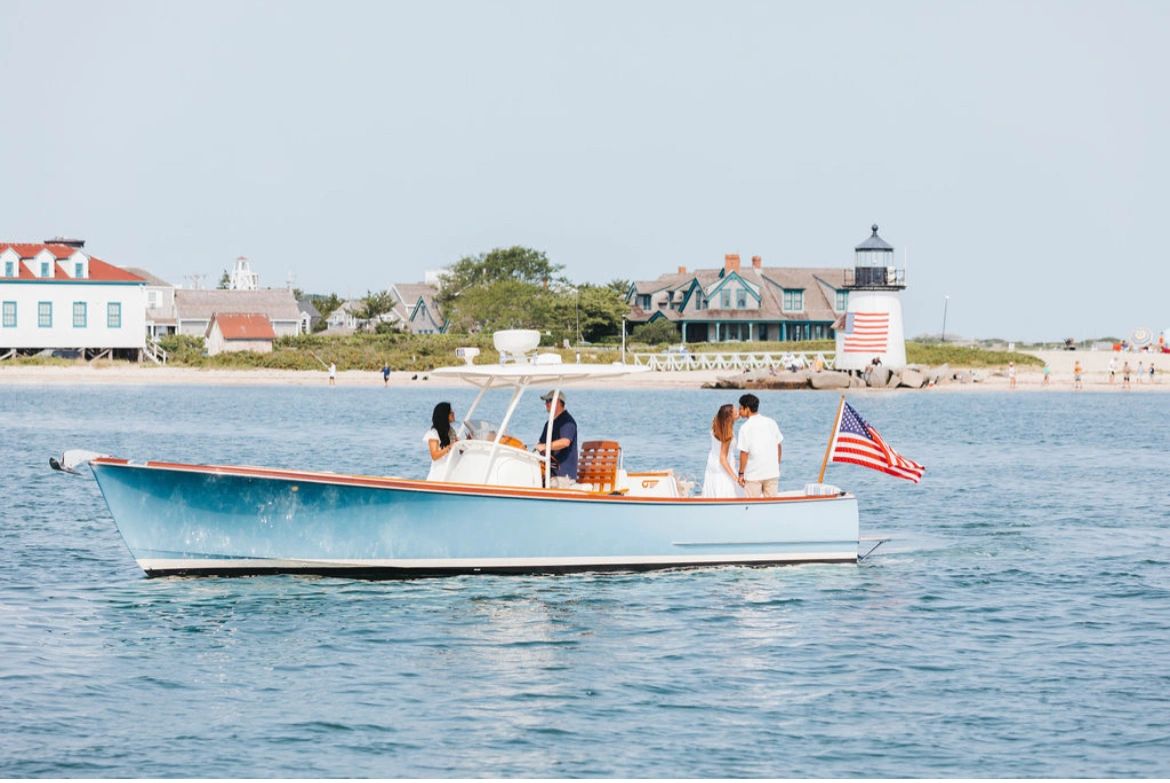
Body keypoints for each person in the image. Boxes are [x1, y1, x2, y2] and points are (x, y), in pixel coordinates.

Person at [736, 393, 783, 497]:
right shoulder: (771, 422)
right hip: (771, 472)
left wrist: (741, 474)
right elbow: (778, 445)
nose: (739, 411)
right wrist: (777, 464)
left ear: (747, 409)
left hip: (754, 475)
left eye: (740, 408)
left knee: (752, 508)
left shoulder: (745, 428)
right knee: (771, 507)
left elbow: (744, 453)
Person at [535, 391, 578, 487]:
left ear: (558, 402)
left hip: (563, 476)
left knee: (545, 485)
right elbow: (540, 445)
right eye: (545, 401)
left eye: (549, 401)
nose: (546, 404)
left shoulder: (567, 422)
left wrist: (545, 446)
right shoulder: (549, 423)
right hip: (549, 473)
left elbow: (565, 442)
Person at [701, 404, 745, 498]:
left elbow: (720, 414)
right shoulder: (727, 435)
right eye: (736, 412)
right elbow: (722, 459)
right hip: (723, 466)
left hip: (712, 463)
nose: (739, 412)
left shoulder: (715, 424)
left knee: (715, 489)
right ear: (729, 417)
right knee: (727, 489)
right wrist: (735, 478)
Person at [423, 402, 458, 481]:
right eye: (450, 412)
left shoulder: (451, 431)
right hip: (439, 475)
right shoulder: (433, 433)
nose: (453, 413)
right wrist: (449, 447)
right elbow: (434, 456)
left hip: (452, 473)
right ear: (444, 415)